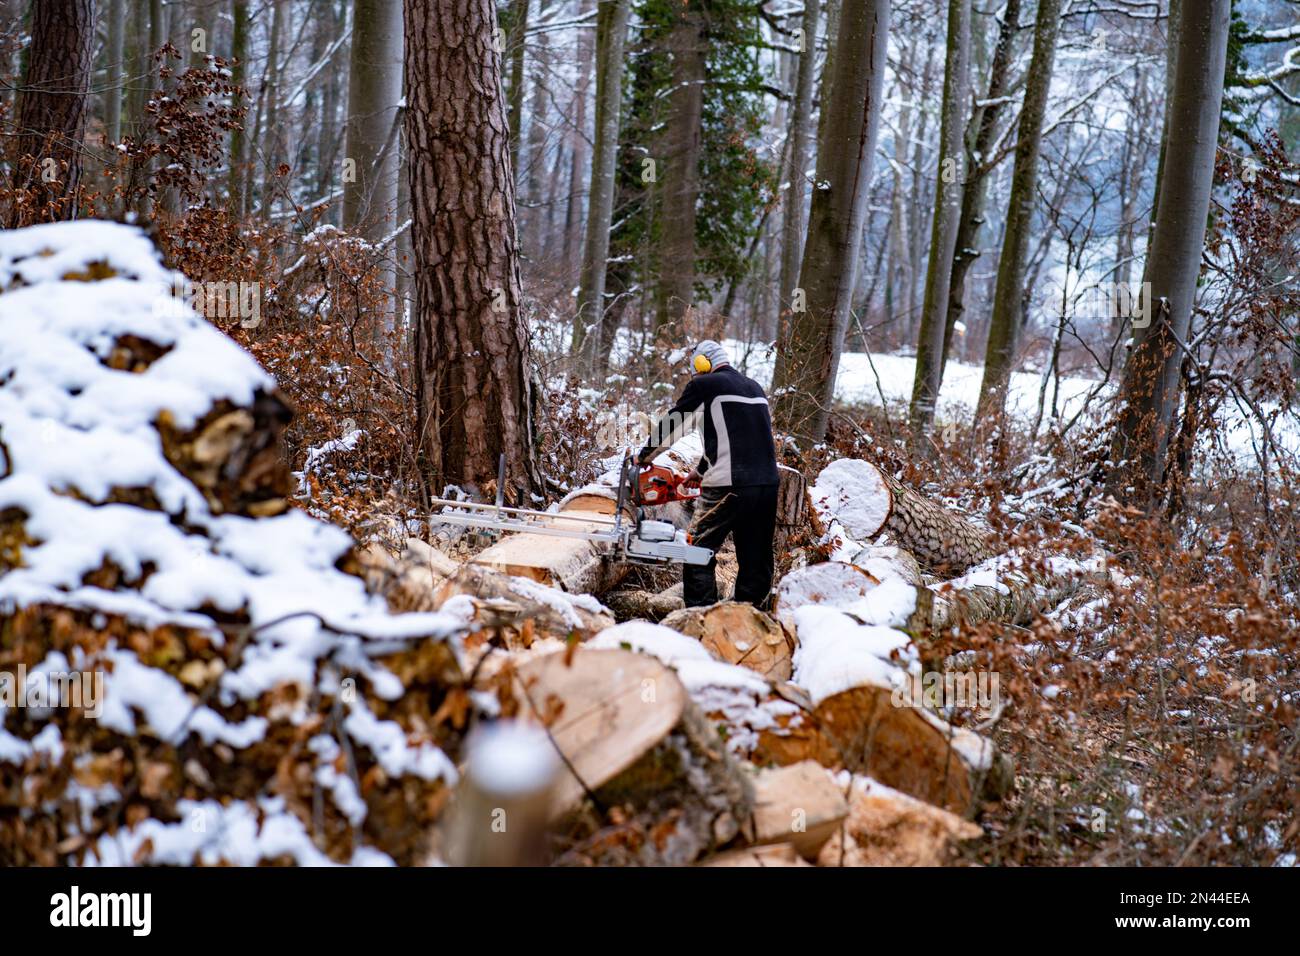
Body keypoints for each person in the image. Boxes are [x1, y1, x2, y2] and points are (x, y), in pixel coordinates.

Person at [636, 340, 779, 608]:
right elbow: (739, 437)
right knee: (755, 556)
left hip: (729, 486)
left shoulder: (704, 385)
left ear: (702, 365)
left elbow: (673, 423)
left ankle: (700, 616)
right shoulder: (754, 387)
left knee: (698, 551)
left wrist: (643, 456)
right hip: (767, 484)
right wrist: (700, 471)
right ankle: (750, 615)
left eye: (695, 371)